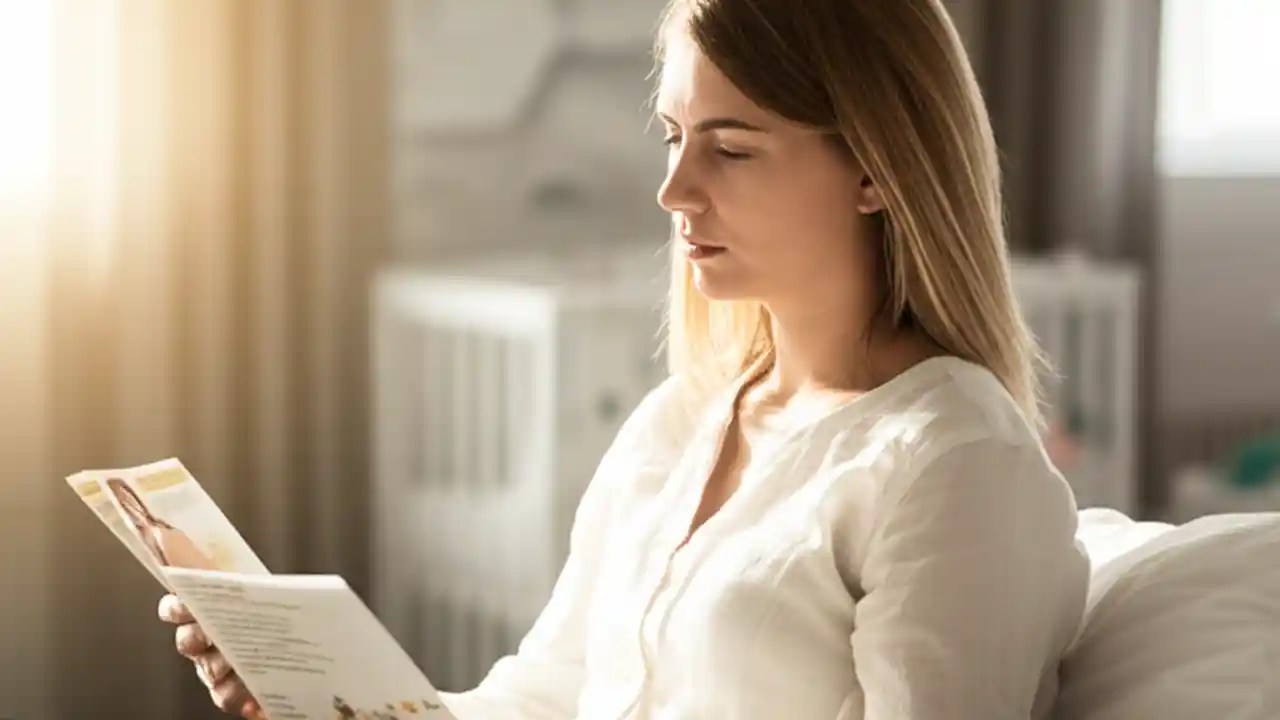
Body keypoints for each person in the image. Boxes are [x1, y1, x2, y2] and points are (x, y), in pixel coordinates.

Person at [160, 0, 1090, 716]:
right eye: (675, 137)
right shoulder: (680, 424)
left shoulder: (954, 462)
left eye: (730, 150)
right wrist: (323, 692)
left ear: (875, 169)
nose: (673, 189)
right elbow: (546, 696)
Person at [107, 477, 219, 571]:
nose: (132, 508)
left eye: (130, 501)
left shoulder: (166, 534)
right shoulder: (142, 538)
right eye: (125, 505)